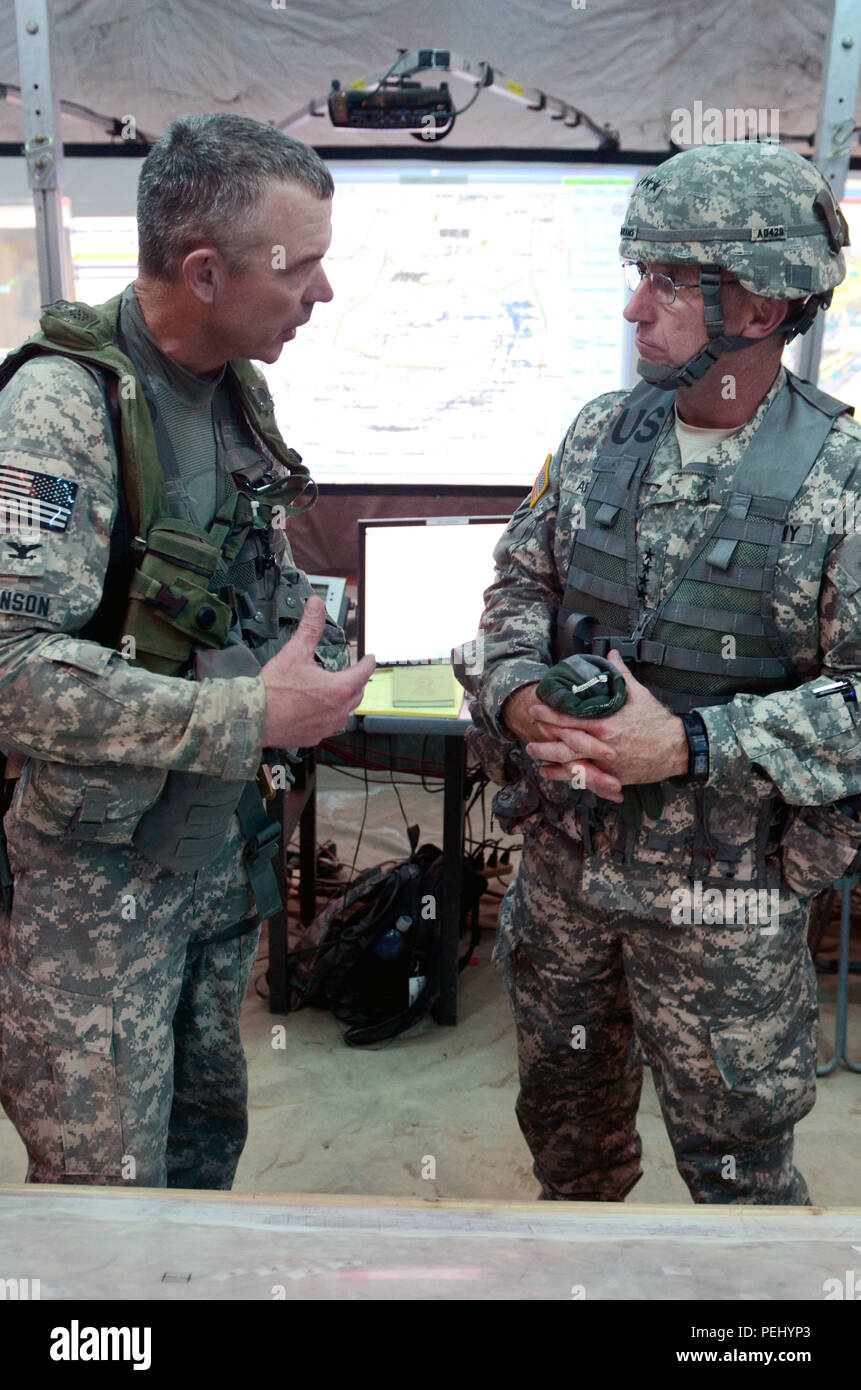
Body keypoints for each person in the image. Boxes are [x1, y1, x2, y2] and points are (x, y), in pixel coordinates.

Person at [457, 140, 861, 1204]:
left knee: (742, 1187)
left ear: (764, 306)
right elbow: (515, 589)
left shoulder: (843, 486)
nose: (638, 307)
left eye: (674, 281)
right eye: (642, 275)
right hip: (565, 887)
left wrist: (691, 742)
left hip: (722, 913)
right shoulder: (600, 435)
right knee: (569, 1159)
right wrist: (517, 690)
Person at [0, 113, 374, 1187]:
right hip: (99, 892)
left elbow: (227, 586)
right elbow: (13, 669)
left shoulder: (236, 392)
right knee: (103, 1196)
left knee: (203, 1153)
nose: (322, 293)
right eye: (300, 267)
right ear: (205, 273)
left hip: (213, 858)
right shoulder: (59, 410)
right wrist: (248, 716)